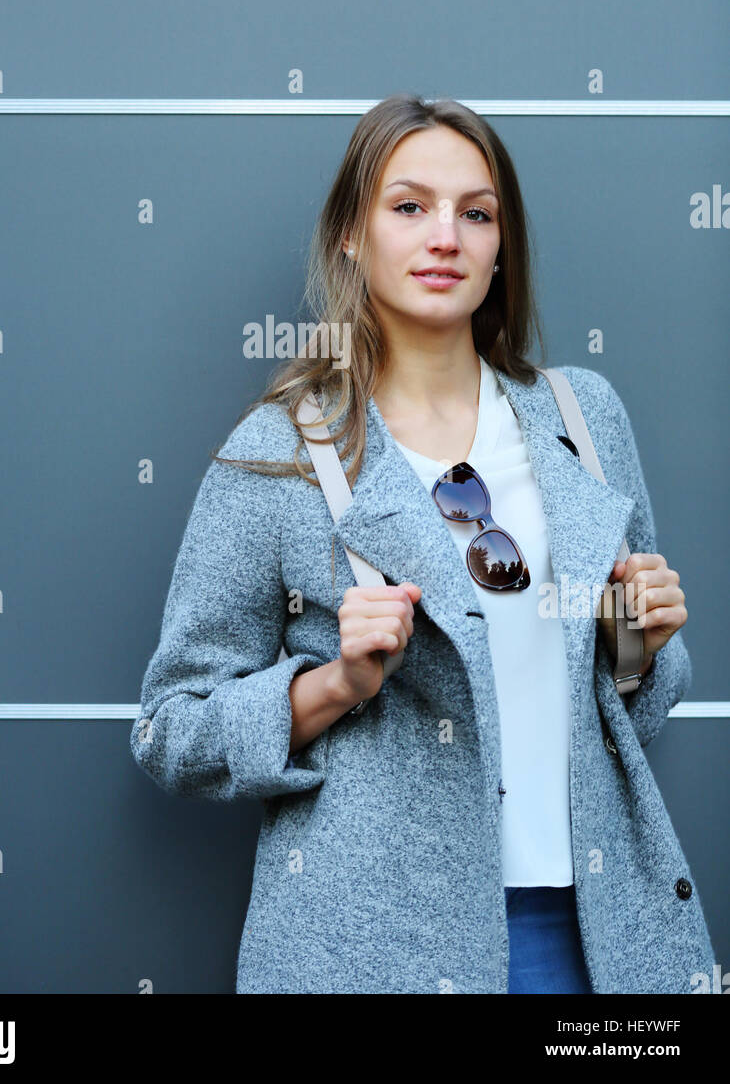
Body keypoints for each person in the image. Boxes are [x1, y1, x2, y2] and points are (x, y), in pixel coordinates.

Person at [130, 92, 715, 994]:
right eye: (410, 207)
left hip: (595, 935)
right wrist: (335, 685)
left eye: (475, 214)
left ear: (499, 249)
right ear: (351, 237)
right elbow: (172, 731)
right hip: (372, 950)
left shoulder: (582, 418)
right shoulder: (280, 450)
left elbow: (626, 718)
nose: (445, 235)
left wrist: (634, 649)